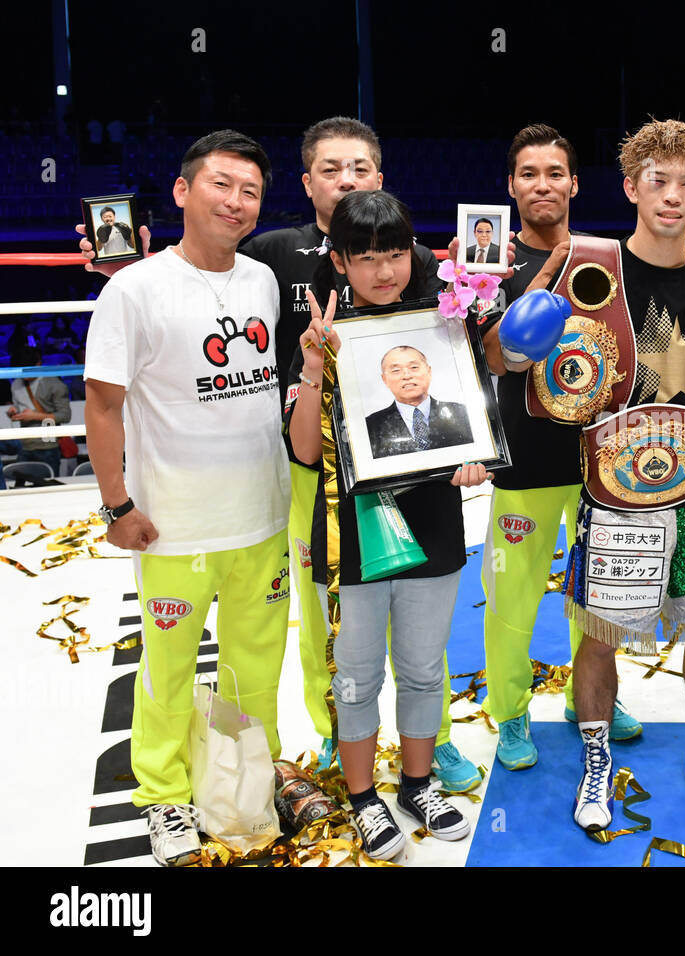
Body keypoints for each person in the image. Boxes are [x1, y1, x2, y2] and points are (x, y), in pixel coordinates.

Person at [79, 116, 482, 790]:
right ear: (306, 182)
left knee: (411, 623)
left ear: (380, 178)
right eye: (331, 169)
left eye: (360, 168)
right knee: (325, 611)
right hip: (303, 467)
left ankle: (423, 741)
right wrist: (123, 263)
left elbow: (466, 351)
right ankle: (330, 733)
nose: (347, 179)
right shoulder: (268, 254)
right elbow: (182, 279)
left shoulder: (417, 260)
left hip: (367, 468)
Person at [503, 119, 685, 831]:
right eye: (657, 181)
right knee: (599, 633)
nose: (673, 197)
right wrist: (515, 346)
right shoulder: (582, 264)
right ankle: (597, 759)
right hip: (612, 488)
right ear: (631, 187)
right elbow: (511, 363)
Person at [82, 130, 291, 866]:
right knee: (169, 671)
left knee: (255, 669)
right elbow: (102, 404)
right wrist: (117, 506)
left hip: (262, 517)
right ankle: (163, 795)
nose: (236, 203)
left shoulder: (262, 281)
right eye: (222, 185)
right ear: (182, 191)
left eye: (251, 192)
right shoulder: (133, 289)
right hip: (172, 526)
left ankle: (244, 784)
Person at [286, 189, 490, 858]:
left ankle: (416, 782)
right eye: (366, 257)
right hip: (349, 531)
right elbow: (304, 453)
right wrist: (316, 366)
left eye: (396, 254)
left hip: (432, 522)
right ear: (339, 261)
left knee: (426, 668)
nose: (384, 271)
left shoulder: (439, 326)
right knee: (356, 676)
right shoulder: (324, 332)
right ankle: (363, 797)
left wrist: (473, 458)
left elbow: (470, 420)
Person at [474, 124, 643, 771]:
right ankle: (512, 715)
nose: (541, 185)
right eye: (528, 174)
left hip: (601, 461)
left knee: (597, 593)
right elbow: (491, 358)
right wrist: (524, 325)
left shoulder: (610, 257)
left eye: (554, 173)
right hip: (524, 459)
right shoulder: (490, 262)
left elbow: (635, 353)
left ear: (574, 182)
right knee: (512, 600)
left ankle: (590, 695)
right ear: (511, 185)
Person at [365, 345, 473, 457]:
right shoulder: (370, 426)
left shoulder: (463, 413)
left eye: (414, 367)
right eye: (396, 370)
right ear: (385, 379)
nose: (407, 376)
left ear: (429, 371)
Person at [3, 343, 71, 476]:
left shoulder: (53, 383)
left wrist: (34, 416)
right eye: (20, 370)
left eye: (27, 369)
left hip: (48, 446)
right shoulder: (16, 383)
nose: (23, 375)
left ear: (38, 363)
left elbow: (65, 415)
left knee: (48, 486)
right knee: (20, 486)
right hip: (25, 444)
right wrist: (14, 410)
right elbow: (20, 405)